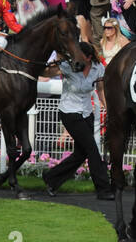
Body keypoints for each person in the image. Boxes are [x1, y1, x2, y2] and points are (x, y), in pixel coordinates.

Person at [44, 42, 111, 200]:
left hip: (87, 113)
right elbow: (46, 73)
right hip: (69, 112)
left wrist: (108, 108)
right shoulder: (67, 66)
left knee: (81, 154)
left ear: (88, 57)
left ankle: (51, 178)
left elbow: (100, 89)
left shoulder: (98, 68)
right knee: (92, 150)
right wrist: (55, 62)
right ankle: (103, 189)